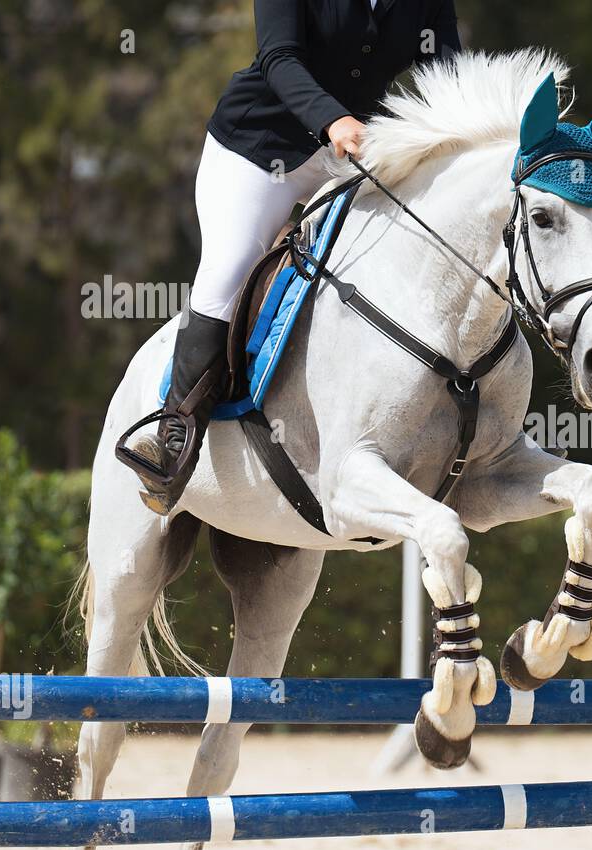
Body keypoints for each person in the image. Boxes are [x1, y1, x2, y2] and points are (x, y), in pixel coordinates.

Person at [128, 0, 460, 514]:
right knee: (232, 266)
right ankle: (174, 435)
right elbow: (279, 57)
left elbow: (448, 74)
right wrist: (332, 119)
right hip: (259, 147)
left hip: (352, 152)